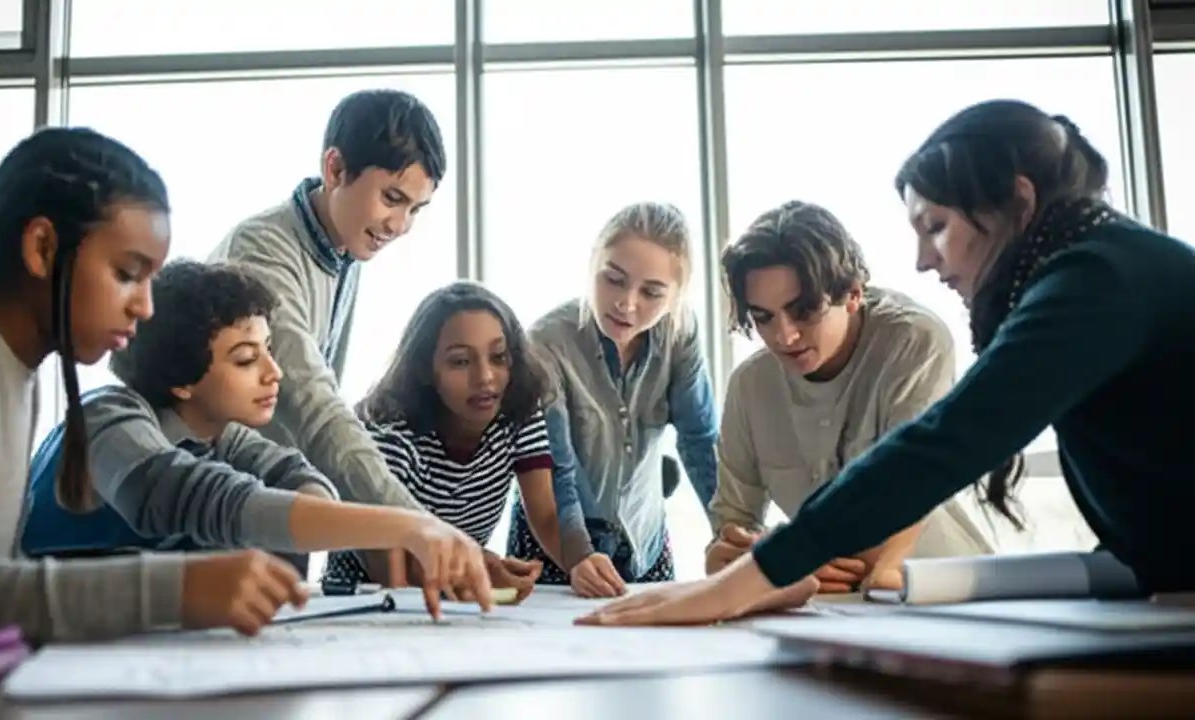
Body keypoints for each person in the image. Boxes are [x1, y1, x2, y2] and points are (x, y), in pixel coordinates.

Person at [578, 99, 1195, 626]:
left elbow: (944, 443)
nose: (924, 260)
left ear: (1019, 201)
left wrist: (735, 585)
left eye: (937, 226)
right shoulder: (1102, 268)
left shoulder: (1097, 279)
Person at [0, 128, 309, 641]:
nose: (144, 307)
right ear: (43, 248)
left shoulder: (18, 370)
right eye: (127, 273)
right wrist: (171, 589)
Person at [21, 261, 491, 618]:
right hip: (34, 641)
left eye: (268, 350)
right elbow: (189, 496)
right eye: (247, 359)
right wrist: (406, 526)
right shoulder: (106, 417)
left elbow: (302, 479)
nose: (274, 372)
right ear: (182, 380)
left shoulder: (224, 436)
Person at [706, 200, 993, 592]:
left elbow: (909, 488)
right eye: (763, 317)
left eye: (804, 310)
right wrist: (733, 554)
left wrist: (787, 559)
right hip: (824, 610)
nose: (784, 337)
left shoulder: (913, 341)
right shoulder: (750, 386)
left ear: (854, 293)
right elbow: (730, 530)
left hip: (943, 591)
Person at [209, 89, 444, 516]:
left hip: (274, 493)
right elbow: (313, 405)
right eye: (392, 199)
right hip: (216, 502)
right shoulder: (261, 250)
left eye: (416, 209)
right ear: (335, 168)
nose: (401, 225)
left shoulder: (345, 249)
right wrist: (418, 525)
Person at [509, 201, 719, 597]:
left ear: (677, 296)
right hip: (559, 544)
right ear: (593, 263)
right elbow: (558, 469)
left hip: (644, 541)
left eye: (652, 292)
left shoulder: (681, 334)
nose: (627, 303)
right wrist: (578, 557)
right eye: (613, 279)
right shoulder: (545, 345)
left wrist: (731, 536)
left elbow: (700, 440)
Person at [324, 281, 562, 601]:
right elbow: (387, 565)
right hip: (365, 598)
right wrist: (476, 569)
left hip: (449, 594)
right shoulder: (393, 436)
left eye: (498, 357)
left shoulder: (517, 413)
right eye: (461, 361)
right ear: (425, 369)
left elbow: (546, 515)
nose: (485, 377)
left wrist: (582, 561)